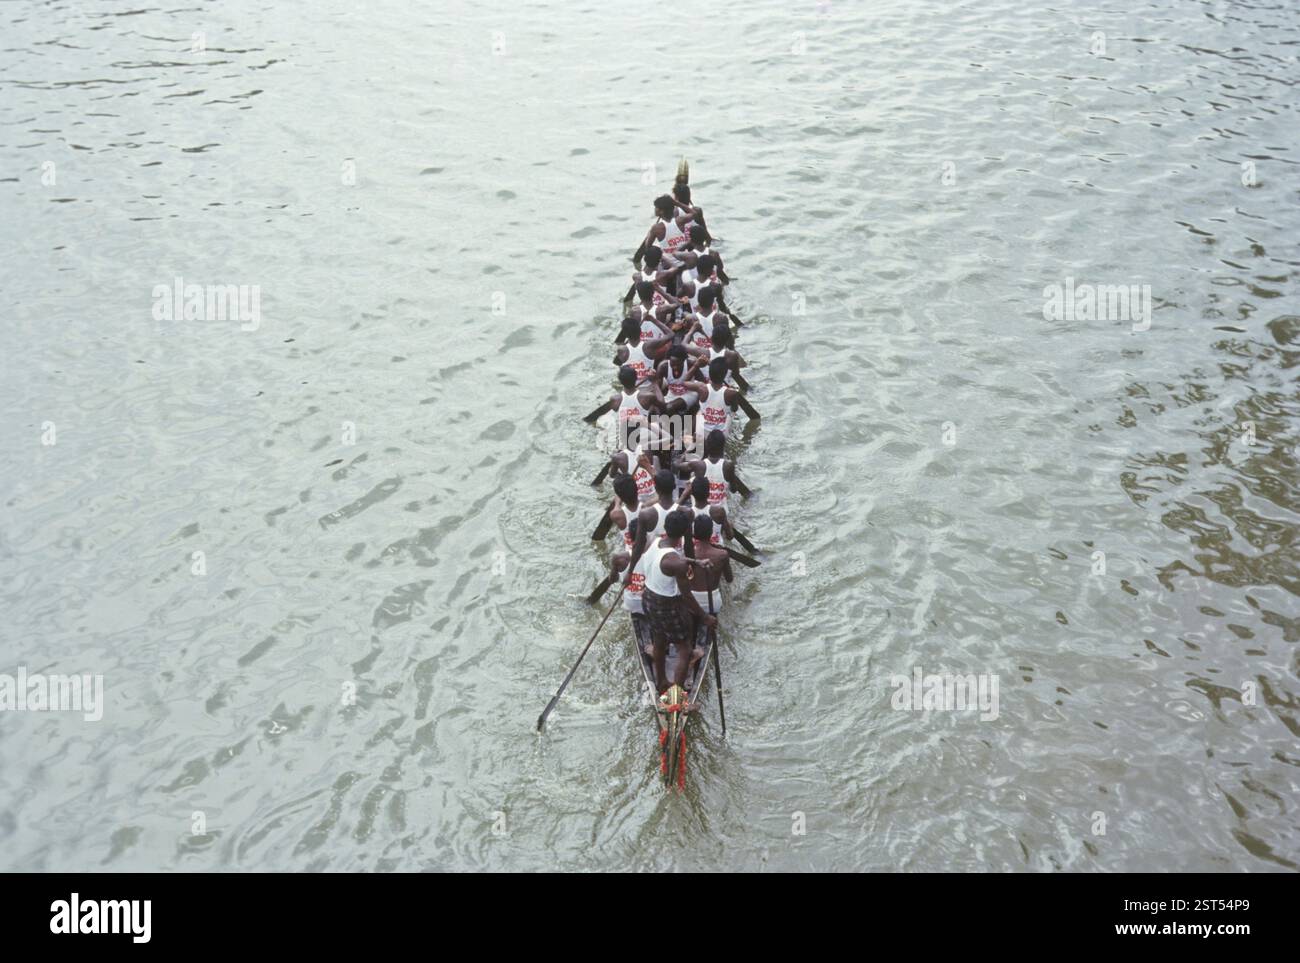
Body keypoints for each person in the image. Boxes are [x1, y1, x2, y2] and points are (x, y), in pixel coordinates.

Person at [641, 510, 716, 692]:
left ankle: (661, 682)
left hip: (648, 598)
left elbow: (672, 558)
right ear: (684, 534)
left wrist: (696, 562)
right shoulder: (677, 563)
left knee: (659, 640)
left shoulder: (656, 541)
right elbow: (687, 597)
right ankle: (677, 695)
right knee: (685, 648)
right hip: (666, 605)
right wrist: (705, 617)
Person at [686, 513, 732, 615]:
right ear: (711, 532)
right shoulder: (722, 554)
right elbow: (729, 579)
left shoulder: (687, 553)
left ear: (695, 532)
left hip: (692, 600)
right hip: (713, 601)